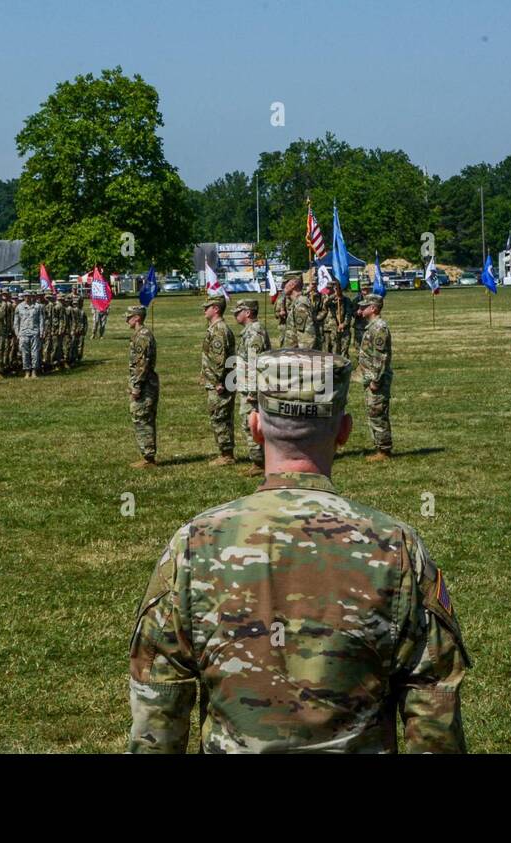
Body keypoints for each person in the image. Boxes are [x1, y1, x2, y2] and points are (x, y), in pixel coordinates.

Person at [127, 348, 469, 753]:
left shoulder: (194, 545)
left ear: (255, 427)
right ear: (344, 431)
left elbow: (158, 712)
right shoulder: (396, 549)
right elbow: (433, 714)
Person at [233, 298, 271, 476]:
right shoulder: (249, 332)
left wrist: (253, 392)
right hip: (247, 385)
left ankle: (260, 462)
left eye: (238, 311)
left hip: (253, 389)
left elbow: (256, 364)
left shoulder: (254, 333)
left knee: (252, 424)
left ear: (247, 313)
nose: (235, 314)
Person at [200, 295, 236, 465]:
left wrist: (217, 382)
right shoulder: (215, 328)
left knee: (220, 416)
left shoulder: (218, 330)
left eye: (207, 307)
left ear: (216, 309)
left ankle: (226, 454)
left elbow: (219, 360)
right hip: (218, 380)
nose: (204, 310)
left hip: (220, 383)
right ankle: (225, 452)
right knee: (219, 415)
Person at [357, 294, 393, 461]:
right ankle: (380, 446)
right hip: (370, 377)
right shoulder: (372, 326)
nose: (360, 309)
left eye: (364, 307)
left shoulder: (379, 328)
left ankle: (384, 450)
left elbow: (380, 357)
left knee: (377, 412)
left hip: (377, 380)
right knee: (373, 412)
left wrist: (375, 380)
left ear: (373, 308)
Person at [126, 305, 158, 467]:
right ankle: (147, 455)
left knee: (143, 418)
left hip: (145, 384)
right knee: (142, 418)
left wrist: (136, 386)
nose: (127, 320)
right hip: (144, 382)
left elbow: (142, 364)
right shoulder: (140, 334)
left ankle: (148, 457)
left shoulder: (142, 336)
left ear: (137, 318)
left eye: (129, 316)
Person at [14, 291, 43, 378]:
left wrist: (41, 332)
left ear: (32, 296)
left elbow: (41, 320)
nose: (27, 297)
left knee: (35, 353)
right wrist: (17, 333)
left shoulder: (38, 306)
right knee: (25, 353)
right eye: (25, 296)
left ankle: (34, 371)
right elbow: (16, 322)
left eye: (29, 296)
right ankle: (27, 371)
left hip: (35, 332)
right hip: (23, 333)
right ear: (23, 297)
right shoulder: (19, 307)